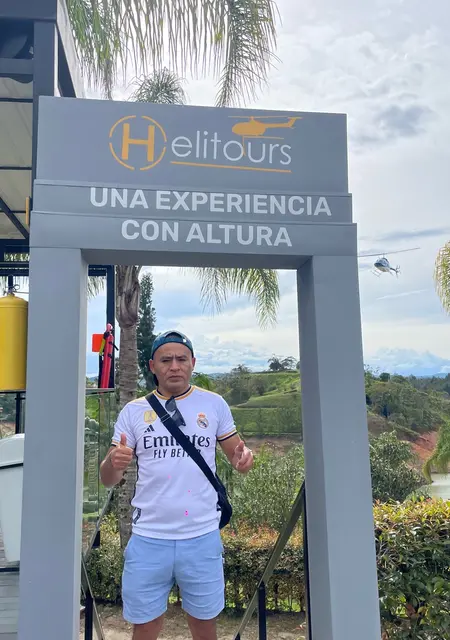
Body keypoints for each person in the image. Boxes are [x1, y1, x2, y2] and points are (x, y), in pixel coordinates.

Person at [100, 330, 254, 640]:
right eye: (166, 360)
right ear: (152, 366)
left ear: (192, 363)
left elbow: (237, 454)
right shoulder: (133, 412)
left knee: (204, 626)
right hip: (148, 538)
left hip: (201, 536)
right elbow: (108, 478)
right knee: (145, 626)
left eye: (181, 359)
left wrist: (244, 460)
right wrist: (113, 463)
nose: (174, 366)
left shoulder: (213, 404)